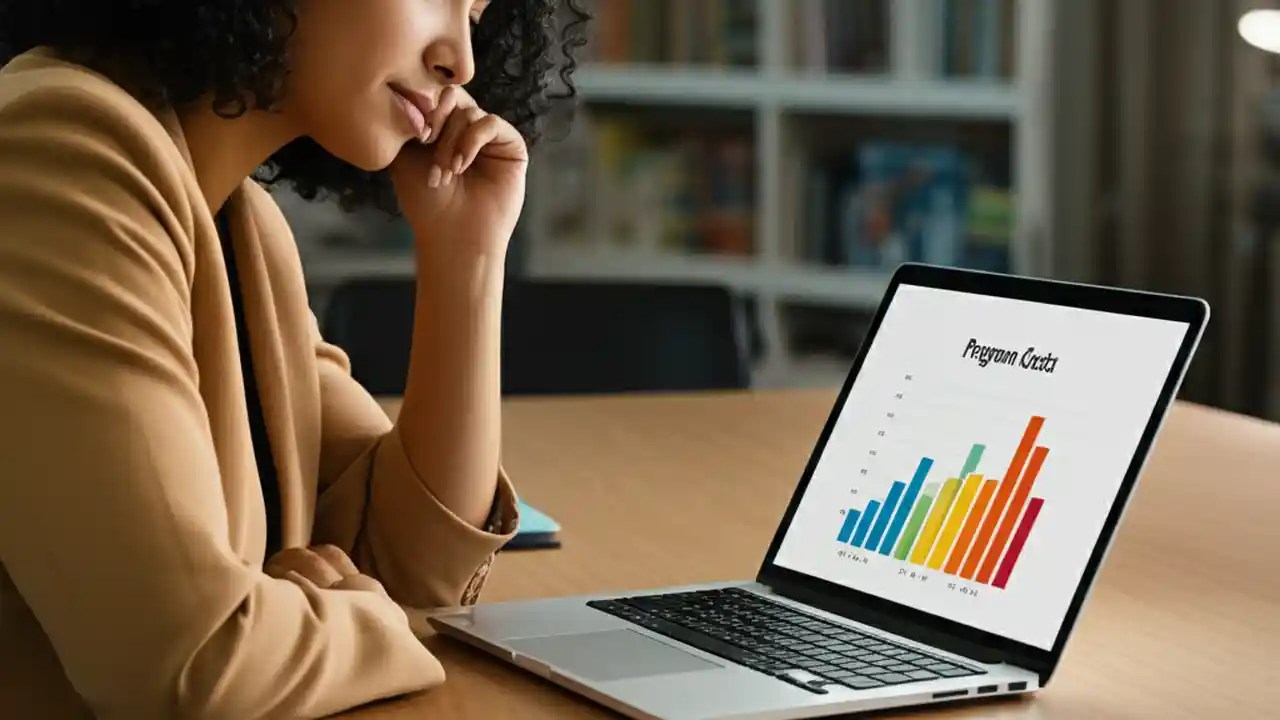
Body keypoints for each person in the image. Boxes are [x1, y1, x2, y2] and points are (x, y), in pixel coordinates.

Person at [0, 0, 588, 717]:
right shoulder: (61, 150)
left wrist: (465, 254)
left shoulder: (245, 228)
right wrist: (380, 623)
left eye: (476, 12)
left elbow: (412, 568)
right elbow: (192, 666)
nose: (461, 59)